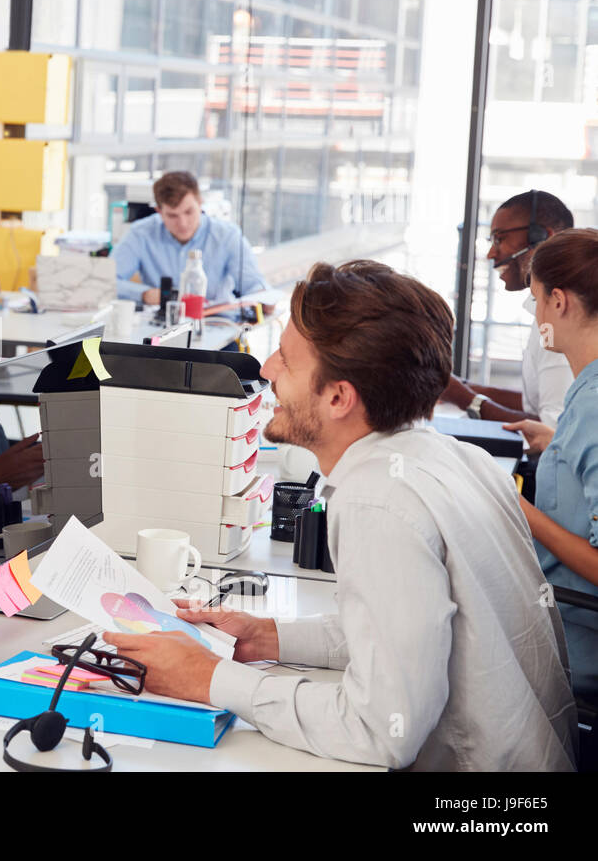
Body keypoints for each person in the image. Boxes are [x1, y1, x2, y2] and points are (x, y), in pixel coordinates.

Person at [104, 260, 575, 770]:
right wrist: (265, 636)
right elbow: (399, 635)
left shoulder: (379, 503)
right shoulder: (456, 456)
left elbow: (380, 731)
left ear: (338, 397)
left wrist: (209, 679)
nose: (266, 371)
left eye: (285, 360)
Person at [510, 229, 598, 702]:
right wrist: (557, 445)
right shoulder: (586, 394)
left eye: (536, 300)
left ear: (559, 301)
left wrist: (522, 512)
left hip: (579, 637)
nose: (537, 315)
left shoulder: (592, 406)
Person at [441, 190, 574, 426]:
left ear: (543, 237)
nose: (492, 254)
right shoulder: (544, 307)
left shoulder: (564, 318)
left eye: (499, 239)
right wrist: (462, 387)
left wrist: (465, 398)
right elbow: (536, 403)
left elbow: (551, 430)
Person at [112, 170, 267, 307]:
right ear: (159, 211)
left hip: (216, 326)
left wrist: (265, 300)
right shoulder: (141, 233)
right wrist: (144, 294)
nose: (183, 223)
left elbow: (253, 285)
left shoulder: (228, 236)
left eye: (188, 212)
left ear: (200, 203)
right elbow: (106, 282)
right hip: (160, 328)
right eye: (172, 215)